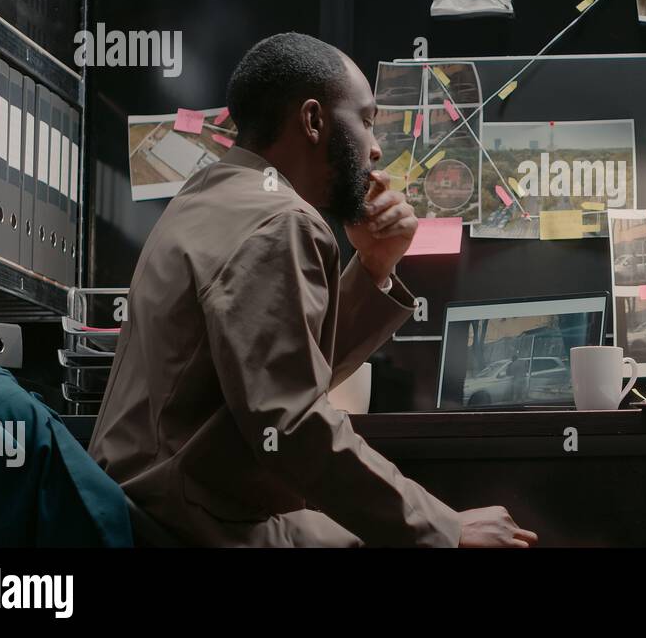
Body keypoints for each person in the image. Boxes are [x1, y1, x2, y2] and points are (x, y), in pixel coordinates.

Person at [89, 32, 537, 548]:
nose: (374, 149)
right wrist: (445, 526)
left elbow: (277, 375)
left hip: (147, 509)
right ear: (313, 120)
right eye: (366, 120)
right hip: (189, 526)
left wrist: (374, 264)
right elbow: (294, 424)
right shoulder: (281, 220)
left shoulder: (211, 196)